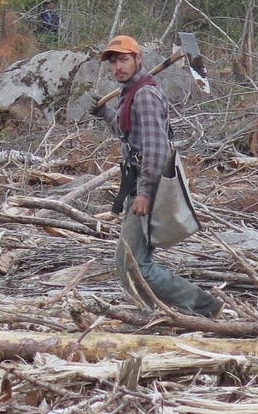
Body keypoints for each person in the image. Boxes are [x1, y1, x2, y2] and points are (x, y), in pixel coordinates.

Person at [95, 34, 223, 318]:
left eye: (124, 59)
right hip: (136, 183)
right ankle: (151, 309)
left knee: (134, 263)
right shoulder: (131, 93)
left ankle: (202, 305)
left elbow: (155, 148)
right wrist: (104, 111)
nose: (118, 67)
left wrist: (144, 193)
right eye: (113, 62)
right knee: (129, 261)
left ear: (138, 59)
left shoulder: (146, 95)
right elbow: (126, 131)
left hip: (146, 185)